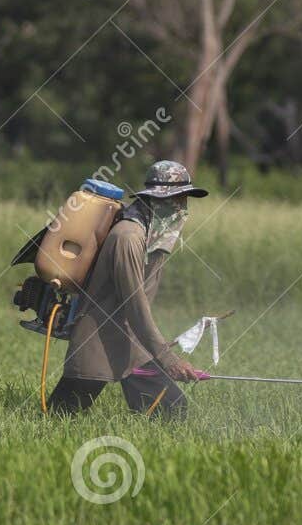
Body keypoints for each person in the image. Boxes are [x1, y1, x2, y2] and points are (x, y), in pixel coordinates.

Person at [47, 160, 207, 419]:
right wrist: (168, 360)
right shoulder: (128, 238)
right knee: (61, 417)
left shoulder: (149, 234)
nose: (182, 208)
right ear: (157, 200)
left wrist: (156, 349)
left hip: (129, 343)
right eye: (177, 199)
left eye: (184, 200)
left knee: (170, 409)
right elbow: (135, 305)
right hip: (101, 340)